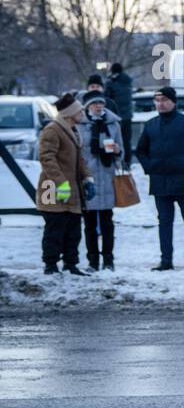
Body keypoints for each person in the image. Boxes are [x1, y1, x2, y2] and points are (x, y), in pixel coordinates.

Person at [135, 86, 184, 270]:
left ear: (174, 102)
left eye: (164, 100)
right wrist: (149, 167)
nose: (161, 104)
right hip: (160, 182)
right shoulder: (150, 125)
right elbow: (140, 150)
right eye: (157, 101)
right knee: (164, 222)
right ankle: (166, 260)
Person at [36, 93, 90, 275]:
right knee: (54, 229)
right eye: (79, 110)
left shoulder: (73, 130)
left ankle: (71, 264)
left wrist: (88, 178)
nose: (82, 112)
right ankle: (50, 265)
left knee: (73, 228)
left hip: (72, 189)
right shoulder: (52, 130)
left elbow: (79, 159)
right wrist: (61, 183)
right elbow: (46, 158)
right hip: (51, 188)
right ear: (70, 113)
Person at [76, 90, 124, 271]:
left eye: (101, 103)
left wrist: (118, 151)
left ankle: (109, 261)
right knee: (89, 224)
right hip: (88, 177)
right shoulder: (80, 124)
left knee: (107, 222)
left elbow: (122, 150)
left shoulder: (112, 124)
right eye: (95, 103)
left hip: (107, 175)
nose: (99, 106)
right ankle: (93, 261)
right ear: (87, 106)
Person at [105, 63, 134, 164]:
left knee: (113, 140)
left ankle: (114, 161)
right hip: (128, 117)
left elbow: (106, 98)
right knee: (126, 141)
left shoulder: (111, 83)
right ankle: (127, 162)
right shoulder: (128, 81)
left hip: (115, 117)